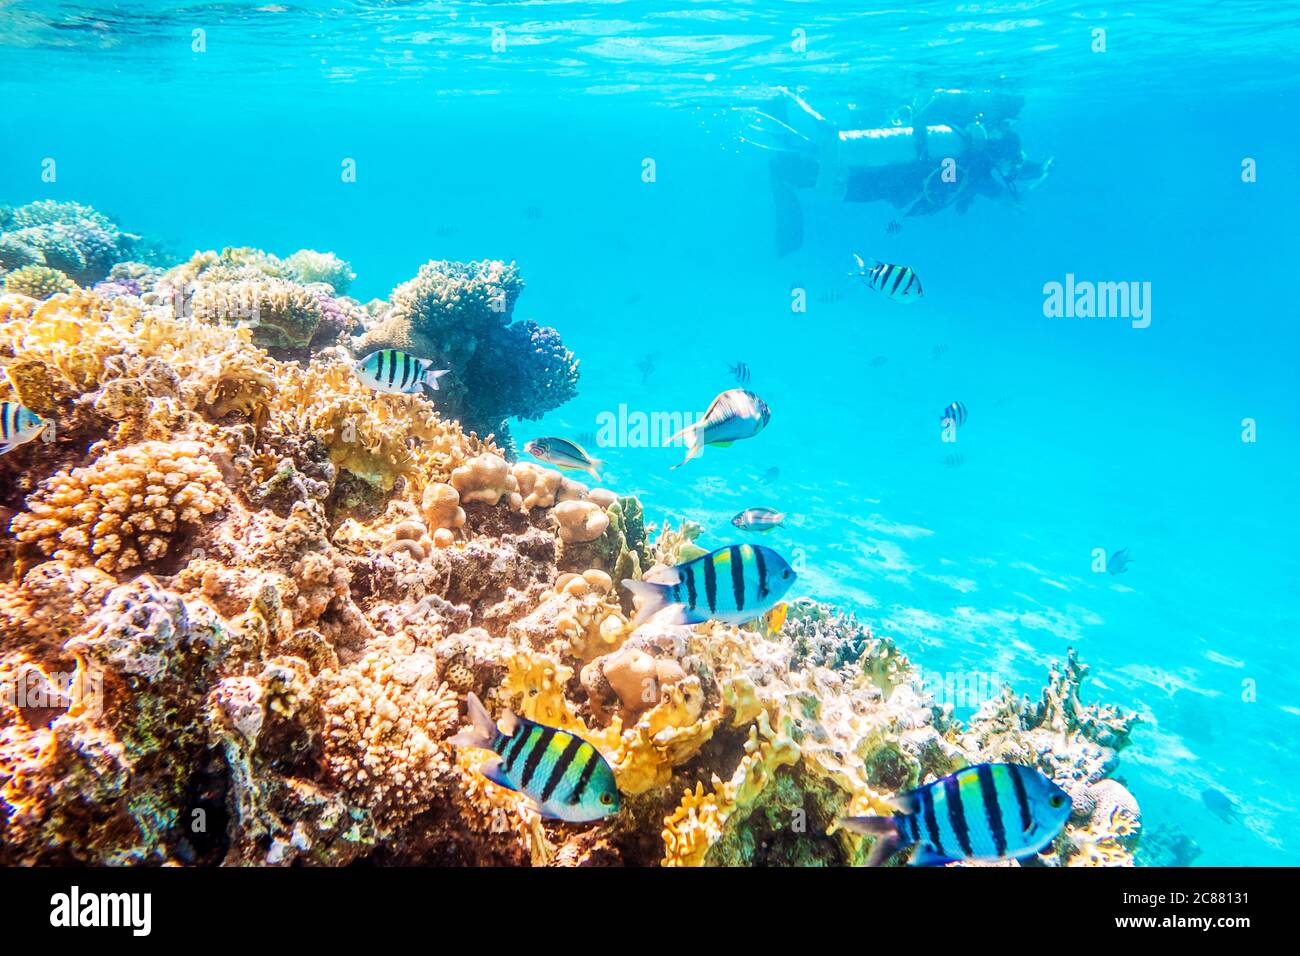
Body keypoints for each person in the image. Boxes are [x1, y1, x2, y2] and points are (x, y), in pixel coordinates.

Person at [742, 88, 1053, 255]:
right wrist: (1019, 196)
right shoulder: (979, 164)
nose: (1015, 167)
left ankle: (780, 123)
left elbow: (1002, 183)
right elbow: (1002, 188)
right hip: (883, 178)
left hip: (888, 169)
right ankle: (780, 123)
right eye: (1015, 162)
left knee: (821, 156)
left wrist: (1026, 180)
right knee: (816, 167)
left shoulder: (975, 159)